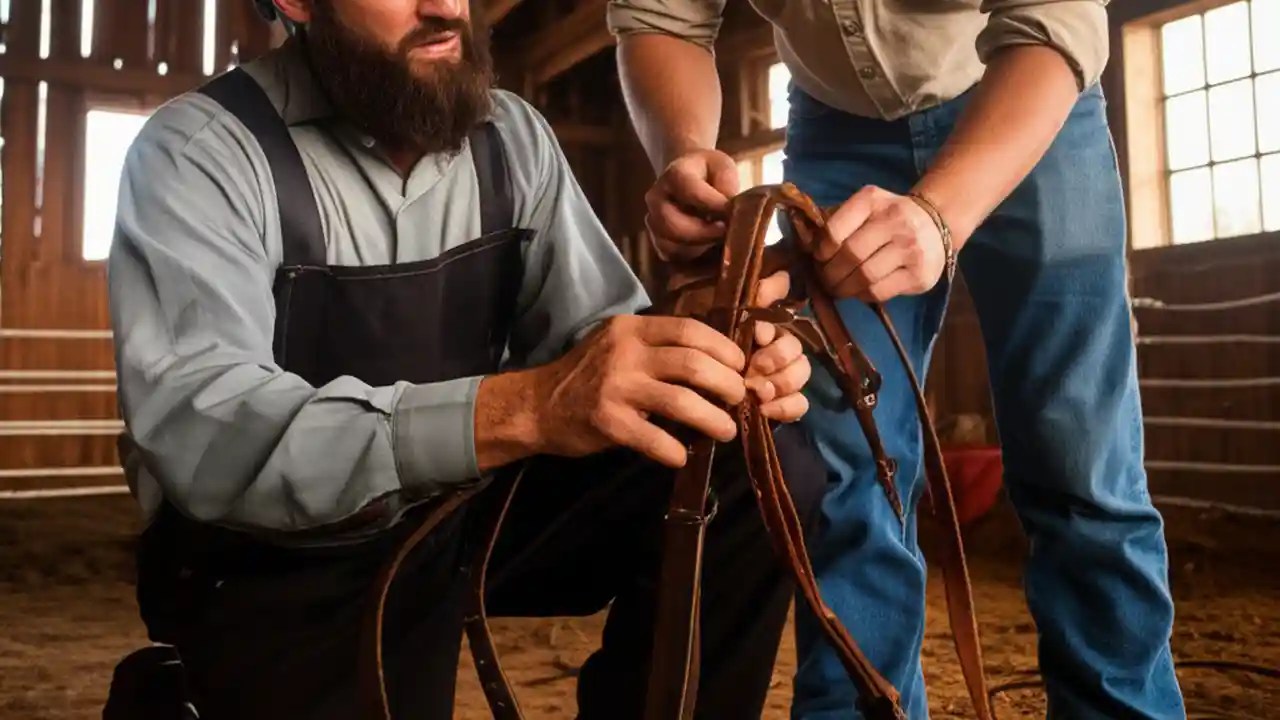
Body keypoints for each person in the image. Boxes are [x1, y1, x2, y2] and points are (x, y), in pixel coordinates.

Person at [103, 1, 823, 718]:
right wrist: (526, 409)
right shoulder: (198, 154)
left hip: (459, 519)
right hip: (278, 560)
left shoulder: (511, 136)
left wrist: (695, 352)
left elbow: (596, 347)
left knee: (743, 455)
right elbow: (208, 433)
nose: (447, 7)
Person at [608, 1, 1185, 718]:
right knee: (844, 483)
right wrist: (684, 151)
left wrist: (942, 214)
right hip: (833, 121)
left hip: (1025, 90)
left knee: (1081, 461)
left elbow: (1054, 19)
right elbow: (663, 17)